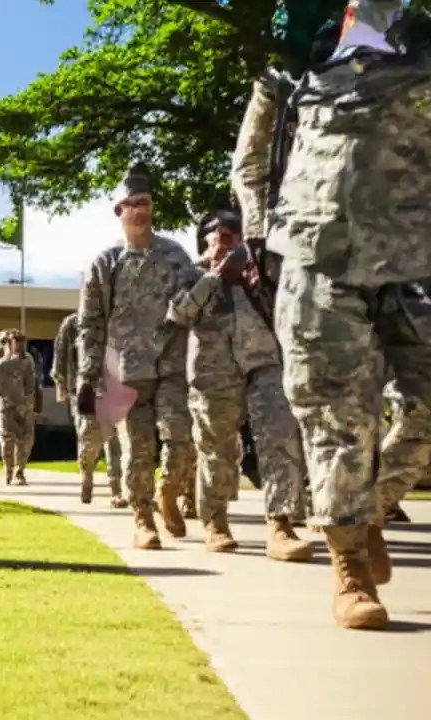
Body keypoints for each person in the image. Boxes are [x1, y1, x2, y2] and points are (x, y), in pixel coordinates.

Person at [268, 0, 431, 629]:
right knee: (336, 412)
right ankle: (350, 567)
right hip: (321, 252)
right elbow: (255, 162)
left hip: (415, 255)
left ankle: (368, 507)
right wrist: (264, 240)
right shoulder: (297, 60)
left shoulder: (420, 41)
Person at [166, 209, 313, 562]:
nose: (227, 239)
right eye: (219, 235)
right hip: (213, 372)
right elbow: (178, 314)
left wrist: (252, 272)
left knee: (280, 438)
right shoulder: (190, 273)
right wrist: (214, 277)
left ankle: (281, 524)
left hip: (264, 364)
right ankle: (216, 523)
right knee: (216, 448)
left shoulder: (261, 269)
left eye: (234, 234)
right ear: (206, 241)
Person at [76, 163, 196, 549]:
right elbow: (90, 323)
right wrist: (87, 373)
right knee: (138, 449)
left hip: (172, 367)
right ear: (119, 211)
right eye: (132, 204)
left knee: (180, 440)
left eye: (145, 203)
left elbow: (198, 304)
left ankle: (168, 492)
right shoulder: (104, 264)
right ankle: (143, 518)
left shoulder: (175, 256)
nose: (140, 211)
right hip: (125, 372)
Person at [53, 311, 127, 507]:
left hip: (114, 390)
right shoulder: (72, 323)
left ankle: (117, 489)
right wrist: (63, 387)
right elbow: (61, 356)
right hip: (86, 391)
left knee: (116, 441)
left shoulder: (117, 319)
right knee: (88, 441)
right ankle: (86, 478)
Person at [0, 329, 36, 486]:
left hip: (24, 407)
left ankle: (19, 470)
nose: (19, 346)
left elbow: (32, 385)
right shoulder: (1, 363)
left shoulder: (28, 361)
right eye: (16, 342)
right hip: (6, 407)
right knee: (7, 440)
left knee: (26, 439)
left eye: (21, 342)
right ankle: (9, 469)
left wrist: (31, 403)